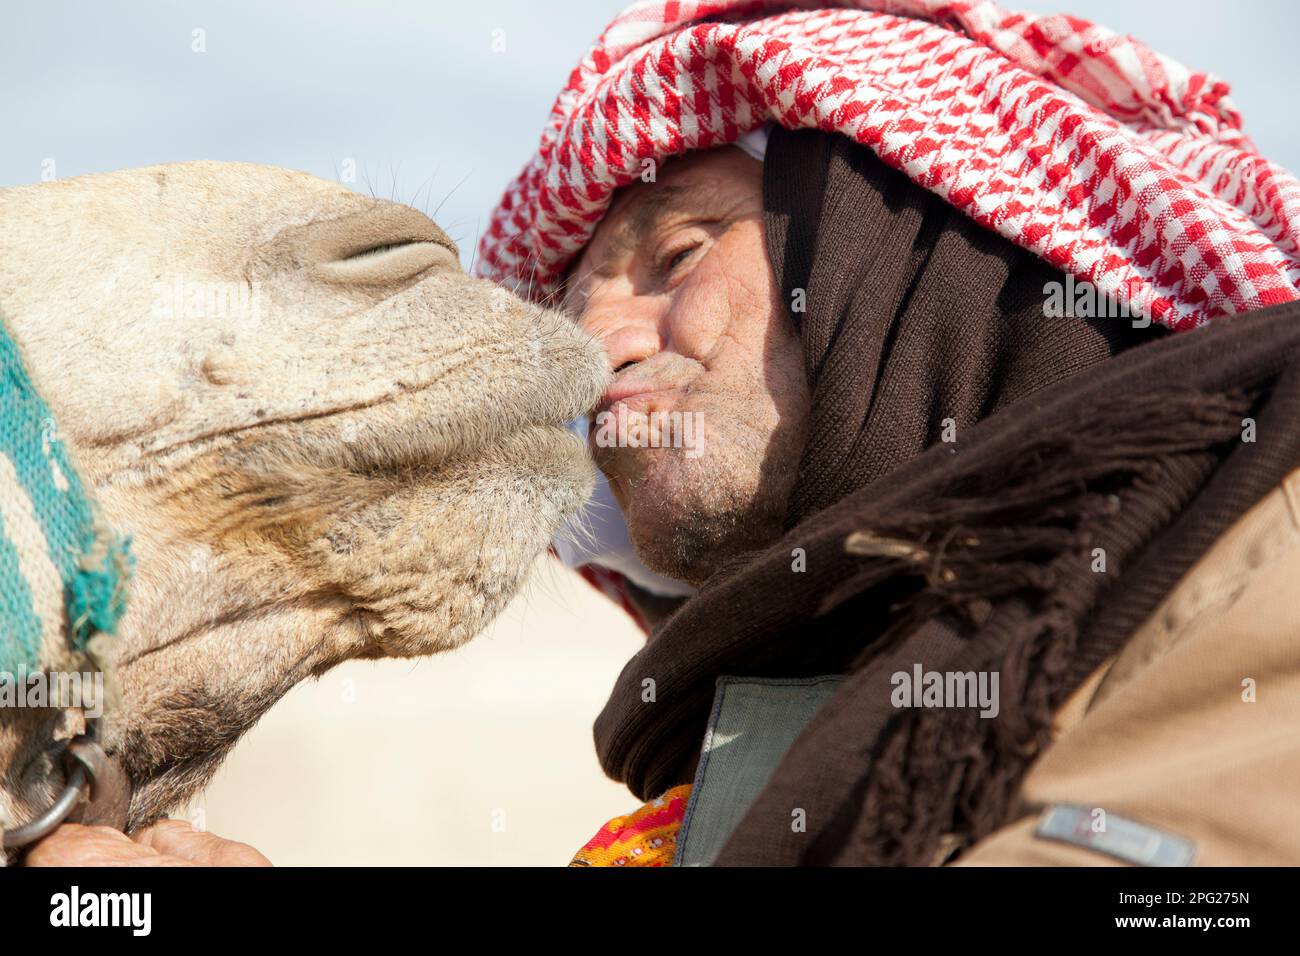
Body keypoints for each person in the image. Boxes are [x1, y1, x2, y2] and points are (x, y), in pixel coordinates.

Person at [31, 0, 1300, 867]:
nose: (598, 348)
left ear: (913, 248)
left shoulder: (1263, 554)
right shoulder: (797, 731)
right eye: (576, 299)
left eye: (677, 254)